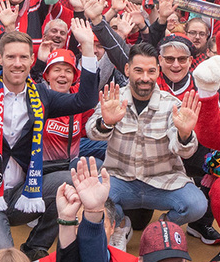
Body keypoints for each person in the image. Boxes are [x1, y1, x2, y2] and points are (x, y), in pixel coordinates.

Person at [0, 3, 102, 262]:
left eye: (24, 57)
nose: (18, 63)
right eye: (11, 57)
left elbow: (85, 101)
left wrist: (89, 48)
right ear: (0, 59)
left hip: (23, 195)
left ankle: (36, 246)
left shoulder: (42, 94)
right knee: (2, 261)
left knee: (74, 182)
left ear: (31, 59)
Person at [88, 44, 210, 250]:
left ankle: (159, 230)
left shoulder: (172, 104)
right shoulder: (113, 99)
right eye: (138, 70)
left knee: (197, 205)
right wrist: (106, 122)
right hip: (121, 180)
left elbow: (186, 151)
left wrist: (184, 133)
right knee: (92, 196)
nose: (145, 77)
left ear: (157, 72)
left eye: (151, 71)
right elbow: (92, 132)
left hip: (163, 182)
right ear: (127, 70)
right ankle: (120, 225)